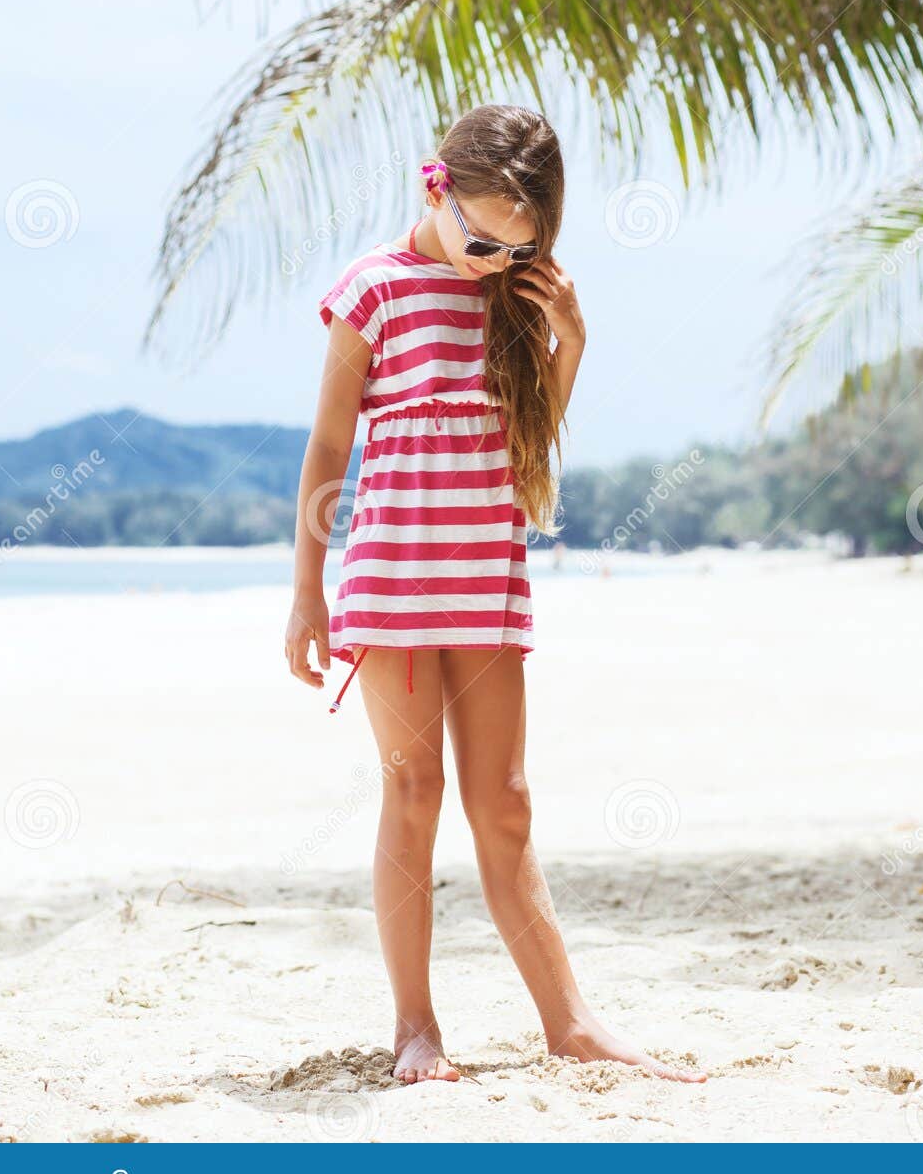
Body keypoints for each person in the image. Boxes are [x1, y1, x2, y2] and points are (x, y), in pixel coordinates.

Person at [286, 105, 705, 1088]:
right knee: (412, 789)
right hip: (389, 579)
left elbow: (524, 449)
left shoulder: (509, 294)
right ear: (434, 188)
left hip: (483, 575)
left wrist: (568, 342)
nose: (489, 260)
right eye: (479, 240)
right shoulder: (371, 291)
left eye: (514, 248)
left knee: (504, 800)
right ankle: (415, 1027)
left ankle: (570, 1023)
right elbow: (327, 449)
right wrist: (306, 591)